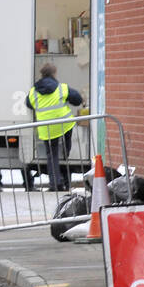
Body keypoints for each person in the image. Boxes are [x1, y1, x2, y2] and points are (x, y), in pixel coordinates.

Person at [27, 62, 84, 192]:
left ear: (41, 74)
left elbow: (29, 104)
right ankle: (66, 151)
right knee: (67, 138)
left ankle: (55, 184)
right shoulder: (61, 88)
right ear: (54, 73)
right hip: (64, 124)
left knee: (51, 155)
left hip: (47, 128)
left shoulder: (33, 92)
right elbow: (77, 99)